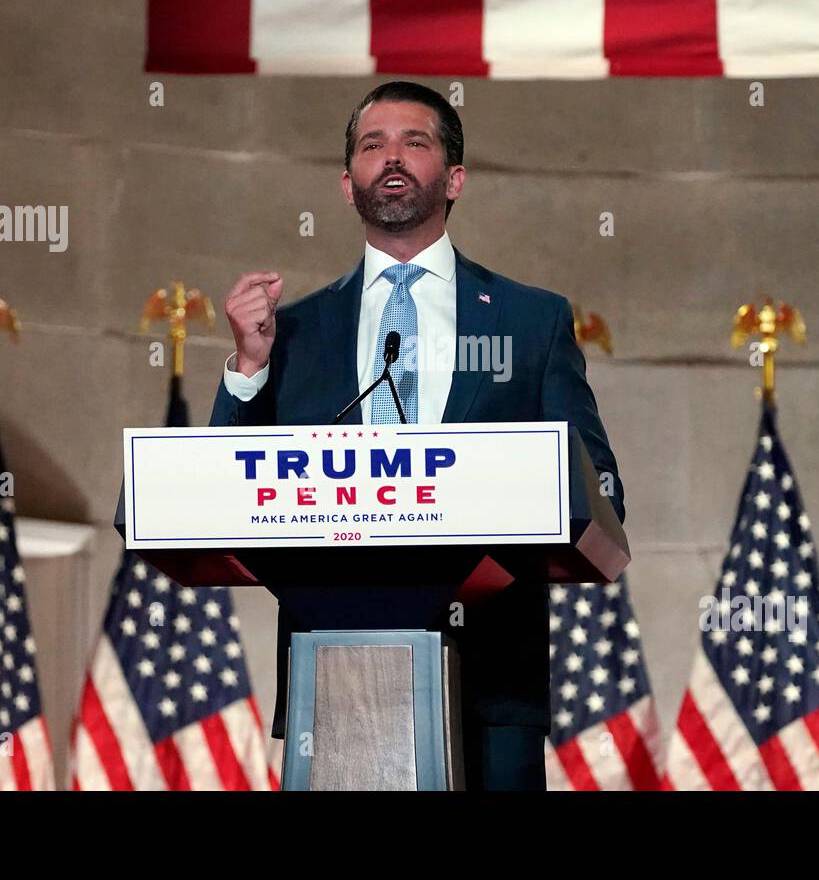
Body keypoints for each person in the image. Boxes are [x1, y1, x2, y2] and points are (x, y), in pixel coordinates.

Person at [211, 80, 624, 790]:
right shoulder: (294, 332)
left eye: (415, 142)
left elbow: (600, 489)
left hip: (494, 682)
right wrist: (248, 365)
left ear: (454, 177)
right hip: (334, 679)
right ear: (348, 185)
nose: (391, 157)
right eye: (372, 146)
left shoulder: (532, 321)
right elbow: (225, 493)